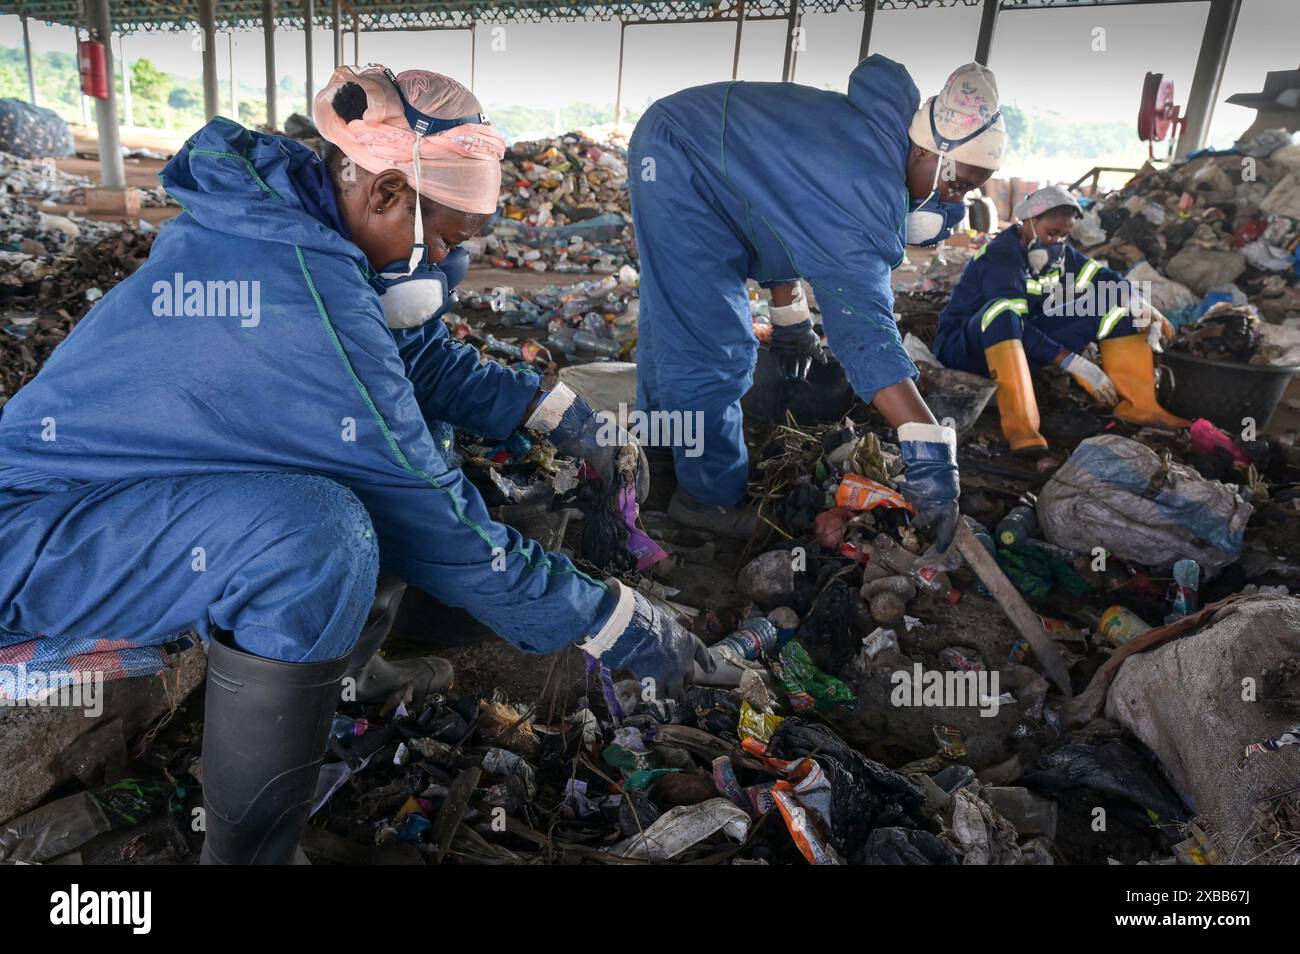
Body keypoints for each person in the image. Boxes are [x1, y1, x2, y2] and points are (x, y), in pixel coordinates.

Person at [0, 65, 710, 864]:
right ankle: (250, 854)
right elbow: (430, 516)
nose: (449, 263)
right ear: (384, 194)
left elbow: (416, 361)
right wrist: (620, 623)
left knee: (388, 461)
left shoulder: (302, 225)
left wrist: (558, 413)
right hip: (35, 535)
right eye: (445, 238)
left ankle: (345, 678)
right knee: (318, 535)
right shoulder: (296, 293)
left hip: (123, 501)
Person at [628, 57, 1008, 541]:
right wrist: (930, 450)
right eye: (957, 183)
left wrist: (791, 321)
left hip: (689, 144)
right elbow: (867, 340)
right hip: (682, 158)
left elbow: (777, 211)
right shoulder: (864, 188)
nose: (951, 202)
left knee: (673, 316)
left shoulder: (881, 137)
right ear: (928, 153)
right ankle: (707, 500)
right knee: (708, 340)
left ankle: (658, 459)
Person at [933, 185, 1189, 454]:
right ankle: (1021, 427)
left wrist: (1137, 301)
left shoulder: (1060, 255)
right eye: (1051, 232)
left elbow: (1107, 280)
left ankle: (1141, 407)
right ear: (1029, 221)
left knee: (1112, 303)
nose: (1056, 241)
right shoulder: (1002, 255)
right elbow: (1012, 322)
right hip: (965, 350)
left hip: (1018, 348)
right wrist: (1074, 363)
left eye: (1063, 235)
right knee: (1002, 311)